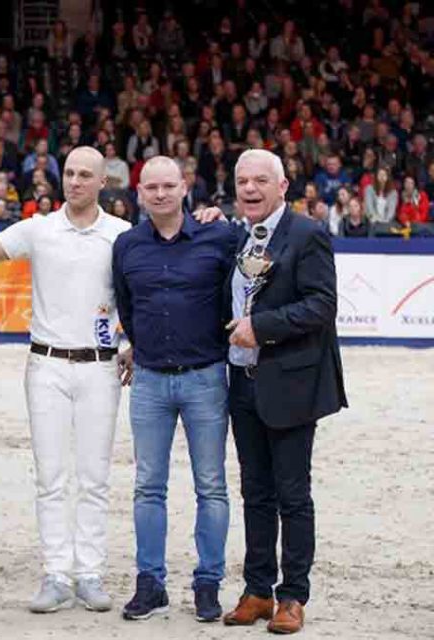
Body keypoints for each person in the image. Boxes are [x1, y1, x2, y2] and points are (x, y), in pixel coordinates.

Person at [0, 147, 130, 614]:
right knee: (50, 477)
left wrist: (137, 343)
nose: (75, 182)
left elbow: (146, 291)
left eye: (85, 175)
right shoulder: (38, 229)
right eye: (70, 173)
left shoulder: (122, 236)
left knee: (94, 477)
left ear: (103, 182)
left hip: (101, 366)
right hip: (46, 365)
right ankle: (57, 574)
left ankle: (90, 573)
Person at [222, 149, 347, 634]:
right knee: (255, 492)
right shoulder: (237, 236)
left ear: (282, 186)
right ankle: (257, 590)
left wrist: (262, 327)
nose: (250, 189)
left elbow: (322, 305)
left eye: (260, 180)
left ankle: (292, 596)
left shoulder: (307, 233)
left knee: (293, 495)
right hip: (242, 383)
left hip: (290, 382)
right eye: (242, 181)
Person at [112, 157, 238, 622]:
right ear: (140, 192)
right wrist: (137, 345)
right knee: (148, 487)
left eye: (169, 185)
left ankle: (208, 583)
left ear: (185, 187)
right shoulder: (127, 245)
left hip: (206, 377)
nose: (161, 194)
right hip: (148, 380)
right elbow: (127, 306)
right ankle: (151, 583)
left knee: (212, 486)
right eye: (152, 187)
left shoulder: (219, 236)